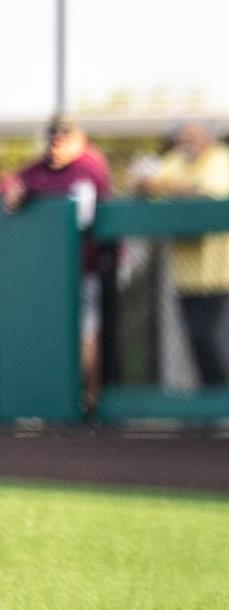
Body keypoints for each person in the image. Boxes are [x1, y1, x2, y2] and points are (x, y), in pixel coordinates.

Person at [1, 115, 114, 416]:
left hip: (93, 266)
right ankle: (55, 401)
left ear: (80, 139)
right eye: (54, 138)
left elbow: (82, 216)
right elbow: (14, 179)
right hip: (51, 273)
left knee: (89, 332)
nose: (57, 144)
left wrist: (34, 195)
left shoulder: (89, 166)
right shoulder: (43, 167)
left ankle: (90, 401)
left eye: (65, 138)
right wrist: (16, 188)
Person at [135, 120, 229, 390]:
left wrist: (162, 185)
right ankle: (209, 405)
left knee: (211, 338)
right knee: (194, 341)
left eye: (193, 137)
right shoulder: (175, 160)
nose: (187, 143)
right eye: (182, 138)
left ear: (208, 138)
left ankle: (224, 401)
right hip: (185, 273)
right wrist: (157, 185)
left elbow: (205, 193)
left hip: (220, 273)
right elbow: (143, 189)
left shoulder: (222, 156)